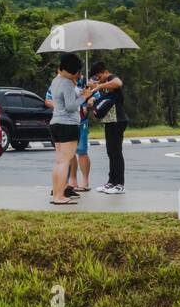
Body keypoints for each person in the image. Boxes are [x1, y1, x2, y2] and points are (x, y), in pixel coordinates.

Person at [86, 60, 127, 194]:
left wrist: (99, 86)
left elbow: (118, 83)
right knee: (111, 152)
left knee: (116, 153)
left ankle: (119, 184)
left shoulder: (111, 78)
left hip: (118, 120)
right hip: (110, 121)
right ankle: (111, 182)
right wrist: (93, 98)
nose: (98, 79)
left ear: (105, 72)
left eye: (99, 76)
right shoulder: (105, 84)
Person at [48, 53, 83, 205]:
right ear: (73, 70)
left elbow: (63, 102)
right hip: (67, 125)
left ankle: (56, 194)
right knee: (64, 162)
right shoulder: (67, 83)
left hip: (56, 123)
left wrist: (79, 95)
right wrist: (85, 97)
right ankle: (60, 196)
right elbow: (70, 106)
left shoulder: (56, 81)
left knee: (59, 162)